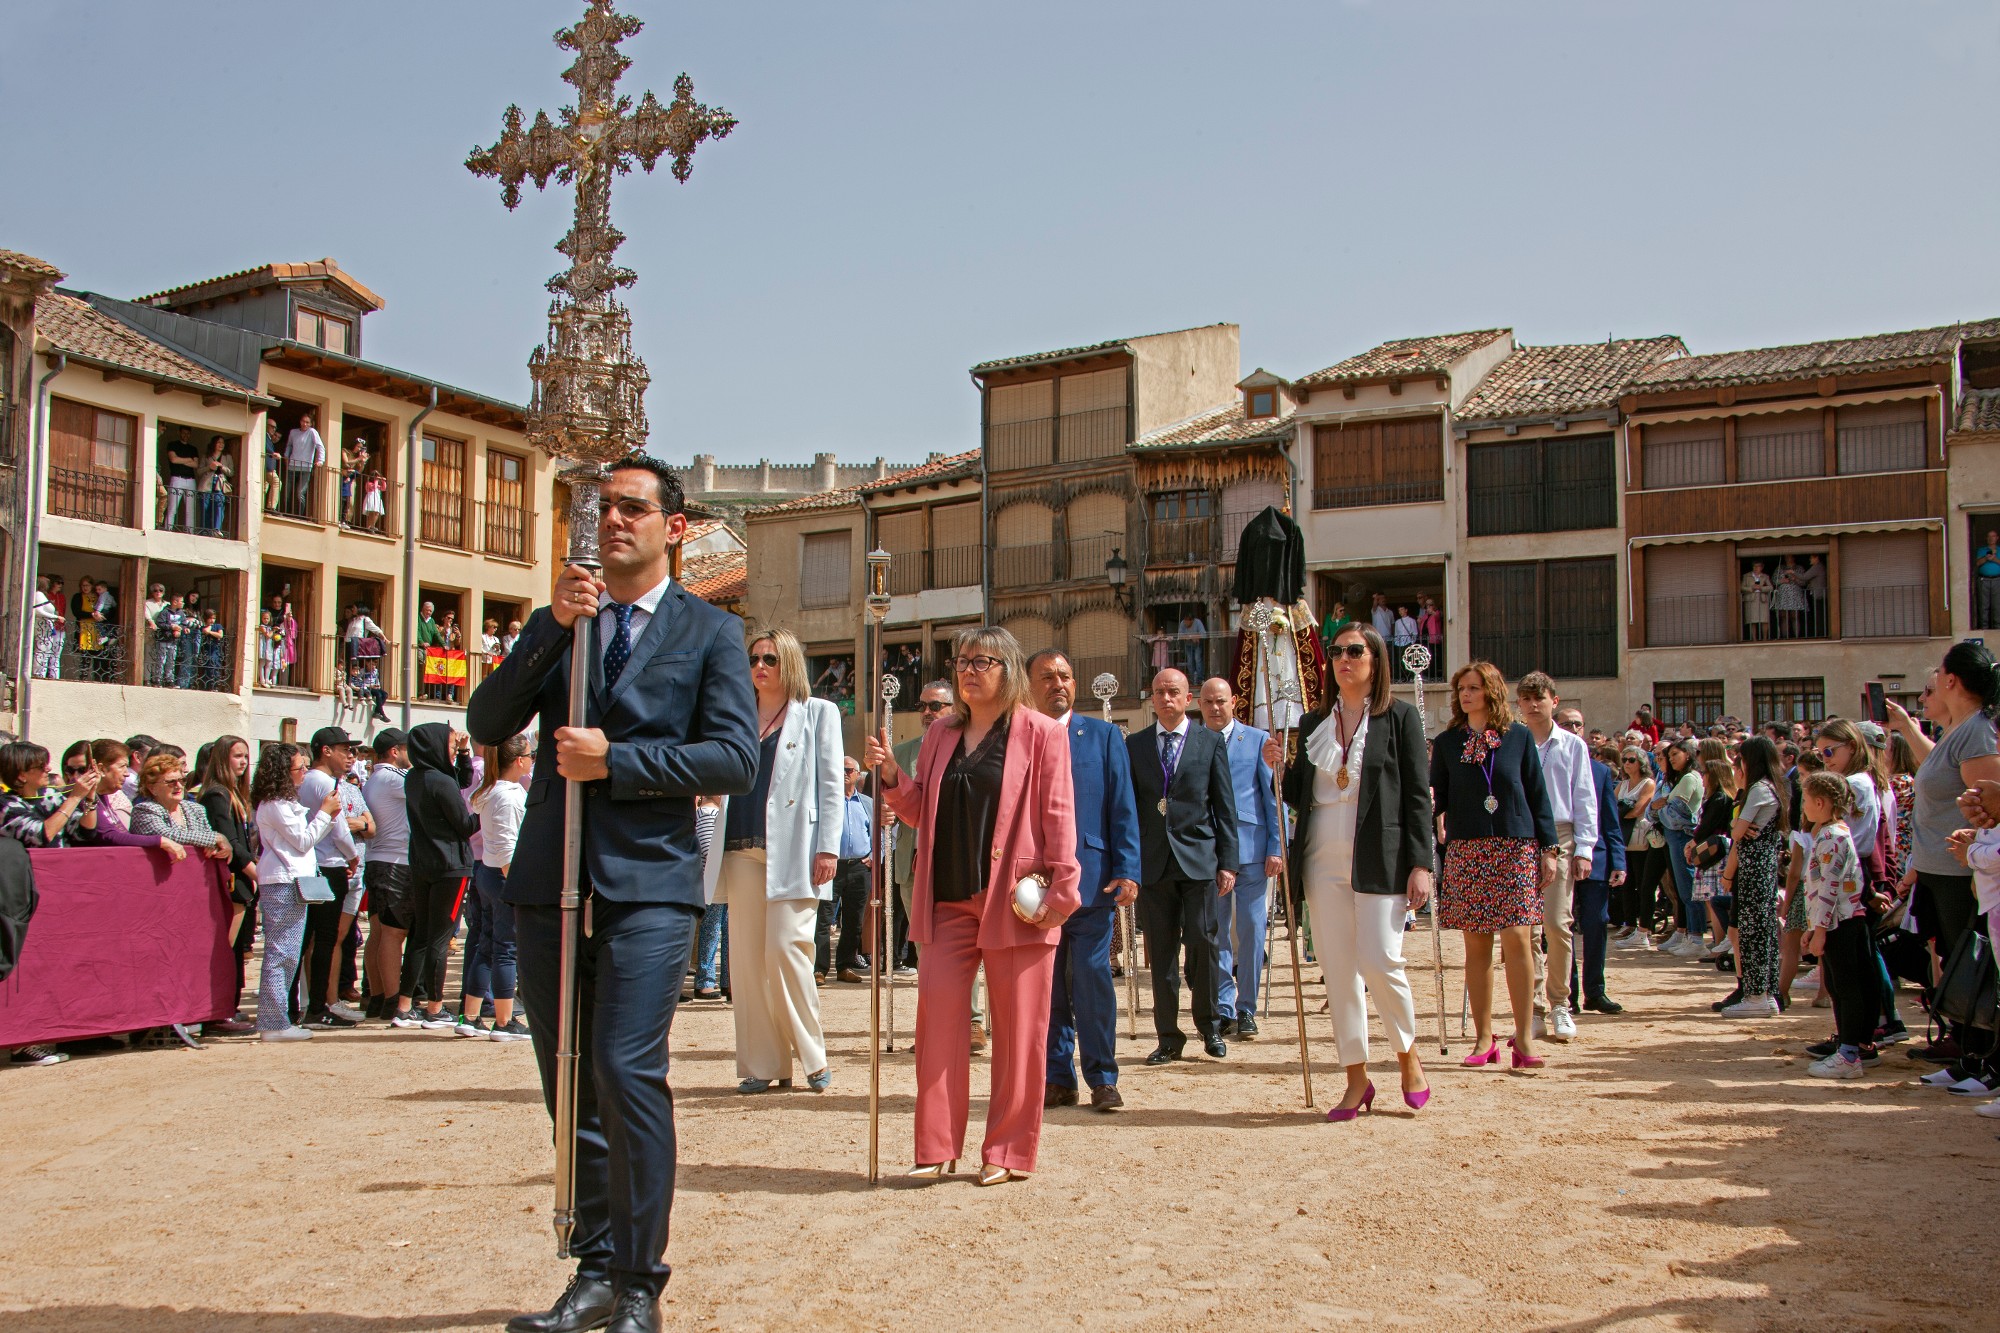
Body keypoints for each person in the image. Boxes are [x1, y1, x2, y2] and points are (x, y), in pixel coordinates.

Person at [468, 453, 757, 1333]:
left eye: (631, 507)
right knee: (569, 1078)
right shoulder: (564, 623)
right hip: (550, 880)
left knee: (627, 1070)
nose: (612, 521)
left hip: (648, 885)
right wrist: (549, 630)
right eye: (602, 507)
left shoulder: (709, 634)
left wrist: (618, 763)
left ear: (674, 526)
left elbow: (734, 759)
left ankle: (640, 1282)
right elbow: (487, 722)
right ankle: (590, 1268)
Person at [865, 625, 1079, 1186]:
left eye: (981, 661)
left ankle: (1007, 1151)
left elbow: (1059, 816)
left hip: (1016, 901)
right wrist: (891, 777)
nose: (967, 670)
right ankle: (938, 1146)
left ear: (1007, 670)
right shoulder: (939, 734)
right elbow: (920, 812)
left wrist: (1062, 891)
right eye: (961, 661)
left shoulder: (1040, 734)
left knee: (1018, 1033)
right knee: (938, 1026)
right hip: (946, 901)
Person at [1273, 623, 1434, 1118]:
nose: (1344, 658)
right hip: (1321, 857)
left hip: (1380, 857)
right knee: (1339, 971)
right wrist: (1280, 768)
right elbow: (1300, 795)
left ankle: (1408, 1056)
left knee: (1381, 961)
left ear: (1376, 660)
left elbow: (1416, 797)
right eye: (1337, 651)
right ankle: (1355, 1077)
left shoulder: (1400, 718)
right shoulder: (1314, 718)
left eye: (1355, 651)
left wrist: (1421, 863)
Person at [700, 627, 842, 1094]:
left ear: (790, 664)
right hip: (738, 846)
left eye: (770, 659)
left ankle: (813, 1056)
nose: (759, 667)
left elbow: (829, 786)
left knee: (787, 951)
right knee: (745, 961)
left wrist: (829, 847)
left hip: (796, 849)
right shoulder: (736, 716)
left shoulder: (818, 713)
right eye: (754, 659)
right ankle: (764, 1064)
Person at [1432, 661, 1558, 1070]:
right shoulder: (1448, 742)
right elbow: (1438, 798)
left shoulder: (1519, 738)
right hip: (1468, 849)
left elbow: (1538, 795)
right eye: (1462, 688)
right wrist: (1433, 816)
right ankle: (1484, 1038)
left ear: (1491, 691)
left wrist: (1549, 849)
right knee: (1476, 945)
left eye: (1474, 687)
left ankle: (1523, 1038)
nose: (1466, 694)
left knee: (1519, 940)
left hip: (1514, 847)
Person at [1029, 650, 1140, 1113]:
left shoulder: (1103, 736)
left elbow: (1122, 804)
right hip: (1033, 884)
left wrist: (1128, 867)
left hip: (1092, 881)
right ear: (1030, 684)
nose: (1059, 684)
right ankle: (1058, 1078)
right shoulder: (1019, 735)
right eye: (1049, 677)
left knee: (1093, 980)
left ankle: (1102, 1078)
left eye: (1067, 676)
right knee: (1048, 985)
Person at [1886, 640, 2000, 1079]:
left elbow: (1990, 802)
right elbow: (1942, 770)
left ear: (1952, 680)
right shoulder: (1963, 728)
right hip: (1940, 865)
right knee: (1953, 959)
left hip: (1961, 870)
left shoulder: (1977, 731)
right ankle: (1966, 1051)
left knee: (1968, 962)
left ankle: (1981, 1057)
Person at [1126, 668, 1238, 1064]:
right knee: (1160, 953)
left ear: (1188, 698)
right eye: (1158, 692)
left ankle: (1210, 1026)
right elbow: (1128, 807)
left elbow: (1224, 805)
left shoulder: (1208, 742)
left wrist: (1229, 862)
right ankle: (1169, 1037)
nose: (1165, 698)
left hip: (1199, 860)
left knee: (1204, 944)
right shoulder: (1136, 745)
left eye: (1173, 691)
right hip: (1154, 864)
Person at [1196, 676, 1282, 1040]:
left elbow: (1272, 797)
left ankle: (1247, 1007)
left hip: (1250, 850)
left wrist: (1276, 846)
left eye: (1221, 702)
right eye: (1208, 703)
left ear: (1234, 702)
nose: (1216, 708)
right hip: (1208, 852)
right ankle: (1224, 1008)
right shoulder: (1193, 741)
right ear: (1199, 705)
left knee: (1250, 930)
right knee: (1214, 935)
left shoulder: (1258, 740)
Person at [1514, 674, 1597, 1042]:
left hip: (1560, 836)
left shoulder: (1573, 745)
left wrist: (1584, 848)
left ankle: (1560, 1004)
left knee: (1557, 923)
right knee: (1523, 930)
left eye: (1540, 698)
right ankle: (1531, 1007)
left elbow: (1584, 796)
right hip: (1520, 837)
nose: (1533, 705)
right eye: (1527, 698)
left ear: (1554, 701)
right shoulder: (1512, 741)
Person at [251, 743, 341, 1043]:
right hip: (283, 881)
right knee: (282, 954)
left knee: (287, 953)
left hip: (289, 880)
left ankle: (277, 1019)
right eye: (299, 768)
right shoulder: (275, 804)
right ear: (282, 773)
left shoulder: (281, 802)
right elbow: (303, 841)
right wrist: (325, 815)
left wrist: (325, 816)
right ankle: (274, 1022)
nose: (305, 771)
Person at [391, 724, 478, 1030]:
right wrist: (487, 809)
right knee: (441, 939)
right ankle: (435, 1008)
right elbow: (465, 825)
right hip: (449, 867)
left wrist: (465, 755)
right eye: (452, 745)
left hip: (423, 863)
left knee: (420, 936)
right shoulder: (440, 781)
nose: (455, 749)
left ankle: (404, 1006)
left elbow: (461, 779)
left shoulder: (416, 777)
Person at [1797, 771, 1872, 1078]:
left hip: (1839, 923)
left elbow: (1828, 887)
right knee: (1840, 987)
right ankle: (1848, 1047)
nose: (1802, 805)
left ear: (1819, 801)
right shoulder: (1831, 833)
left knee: (1845, 987)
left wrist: (1819, 930)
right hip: (1836, 921)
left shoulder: (1832, 837)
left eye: (1804, 799)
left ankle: (1850, 1054)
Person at [294, 728, 370, 1030]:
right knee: (323, 939)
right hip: (329, 864)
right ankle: (316, 1006)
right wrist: (353, 856)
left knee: (314, 939)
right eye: (344, 749)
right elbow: (338, 827)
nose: (349, 756)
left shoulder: (312, 780)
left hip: (319, 863)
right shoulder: (322, 781)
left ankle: (311, 1004)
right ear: (326, 751)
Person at [466, 732, 533, 1041]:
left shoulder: (492, 791)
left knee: (488, 944)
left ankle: (471, 1015)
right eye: (529, 756)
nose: (531, 761)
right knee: (505, 948)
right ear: (519, 761)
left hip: (489, 872)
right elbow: (509, 846)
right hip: (503, 874)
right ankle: (504, 1021)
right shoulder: (508, 794)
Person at [1714, 737, 1787, 1017]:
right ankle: (1764, 993)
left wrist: (1738, 821)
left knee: (1752, 931)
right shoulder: (1772, 787)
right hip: (1761, 865)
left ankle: (1756, 995)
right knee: (1760, 930)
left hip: (1754, 866)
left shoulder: (1758, 788)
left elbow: (1736, 830)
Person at [195, 736, 259, 1034]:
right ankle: (216, 1012)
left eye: (246, 756)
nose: (243, 761)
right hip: (232, 879)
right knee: (225, 950)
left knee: (236, 952)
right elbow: (229, 841)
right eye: (237, 756)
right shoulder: (217, 795)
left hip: (243, 880)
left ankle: (227, 1008)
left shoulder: (233, 793)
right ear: (223, 759)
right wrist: (254, 871)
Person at [1570, 740, 1628, 1017]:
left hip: (1597, 859)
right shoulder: (1543, 764)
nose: (1573, 729)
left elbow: (1610, 820)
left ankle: (1595, 991)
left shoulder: (1600, 772)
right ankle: (1566, 994)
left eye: (1577, 725)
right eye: (1567, 724)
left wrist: (1619, 861)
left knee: (1596, 925)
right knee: (1560, 929)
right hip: (1557, 858)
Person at [360, 729, 415, 1021]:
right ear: (395, 751)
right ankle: (392, 999)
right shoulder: (394, 778)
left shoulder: (375, 778)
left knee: (380, 932)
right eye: (407, 748)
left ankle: (378, 997)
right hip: (395, 862)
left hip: (379, 860)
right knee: (393, 934)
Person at [130, 753, 231, 862]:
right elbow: (168, 835)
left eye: (182, 780)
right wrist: (216, 838)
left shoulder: (196, 809)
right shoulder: (144, 810)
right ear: (152, 788)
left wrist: (214, 847)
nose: (178, 786)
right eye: (170, 782)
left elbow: (208, 841)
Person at [0, 742, 100, 847]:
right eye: (41, 766)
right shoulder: (6, 806)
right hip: (29, 863)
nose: (48, 769)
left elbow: (85, 832)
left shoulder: (50, 795)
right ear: (21, 775)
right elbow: (40, 836)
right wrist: (74, 798)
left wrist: (90, 794)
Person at [831, 755, 874, 983]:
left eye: (850, 770)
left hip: (859, 868)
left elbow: (880, 833)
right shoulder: (827, 800)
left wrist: (874, 857)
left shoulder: (867, 803)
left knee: (854, 921)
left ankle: (845, 966)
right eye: (842, 769)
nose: (845, 773)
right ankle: (818, 969)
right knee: (823, 917)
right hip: (832, 866)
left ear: (858, 775)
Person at [1611, 746, 1657, 952]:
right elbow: (1612, 808)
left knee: (1644, 885)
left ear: (1641, 762)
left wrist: (1623, 810)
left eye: (1631, 759)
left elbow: (1638, 810)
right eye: (1625, 760)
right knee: (1626, 885)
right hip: (1624, 839)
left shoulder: (1648, 783)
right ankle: (1629, 924)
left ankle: (1644, 927)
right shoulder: (1623, 784)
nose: (1627, 763)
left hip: (1640, 839)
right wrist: (1623, 810)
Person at [283, 411, 325, 517]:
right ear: (300, 421)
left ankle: (299, 516)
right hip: (292, 466)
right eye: (303, 421)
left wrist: (320, 461)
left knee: (300, 493)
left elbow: (320, 447)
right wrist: (286, 456)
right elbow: (289, 446)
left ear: (310, 424)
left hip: (306, 468)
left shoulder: (312, 432)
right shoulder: (293, 432)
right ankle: (284, 512)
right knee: (286, 491)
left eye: (307, 422)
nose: (304, 424)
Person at [161, 425, 199, 532]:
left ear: (190, 434)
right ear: (179, 433)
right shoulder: (173, 445)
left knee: (190, 509)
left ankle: (190, 532)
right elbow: (173, 459)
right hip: (177, 478)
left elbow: (196, 464)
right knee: (173, 507)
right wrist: (188, 459)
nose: (185, 435)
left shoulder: (193, 449)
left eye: (188, 433)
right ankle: (168, 529)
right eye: (183, 433)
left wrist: (180, 460)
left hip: (191, 480)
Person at [31, 575, 63, 680]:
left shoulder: (42, 595)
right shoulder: (38, 594)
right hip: (42, 628)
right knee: (41, 650)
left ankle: (41, 673)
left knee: (46, 652)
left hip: (47, 629)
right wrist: (56, 617)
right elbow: (38, 611)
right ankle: (37, 674)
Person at [1740, 561, 1773, 641]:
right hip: (1751, 599)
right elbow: (1741, 587)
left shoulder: (1765, 576)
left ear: (1762, 567)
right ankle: (1754, 639)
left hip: (1762, 599)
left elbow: (1771, 587)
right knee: (1752, 620)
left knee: (1764, 619)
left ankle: (1765, 639)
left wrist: (1761, 588)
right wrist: (1751, 588)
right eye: (1754, 566)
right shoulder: (1746, 576)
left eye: (1758, 566)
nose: (1756, 568)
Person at [1975, 529, 2000, 630]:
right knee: (1983, 606)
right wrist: (1987, 557)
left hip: (1997, 580)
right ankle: (1983, 629)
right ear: (1986, 538)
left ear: (1997, 538)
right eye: (1989, 536)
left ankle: (1998, 629)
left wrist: (1994, 559)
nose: (1991, 538)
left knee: (1997, 606)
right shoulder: (1981, 550)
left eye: (1993, 536)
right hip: (1983, 580)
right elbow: (1977, 563)